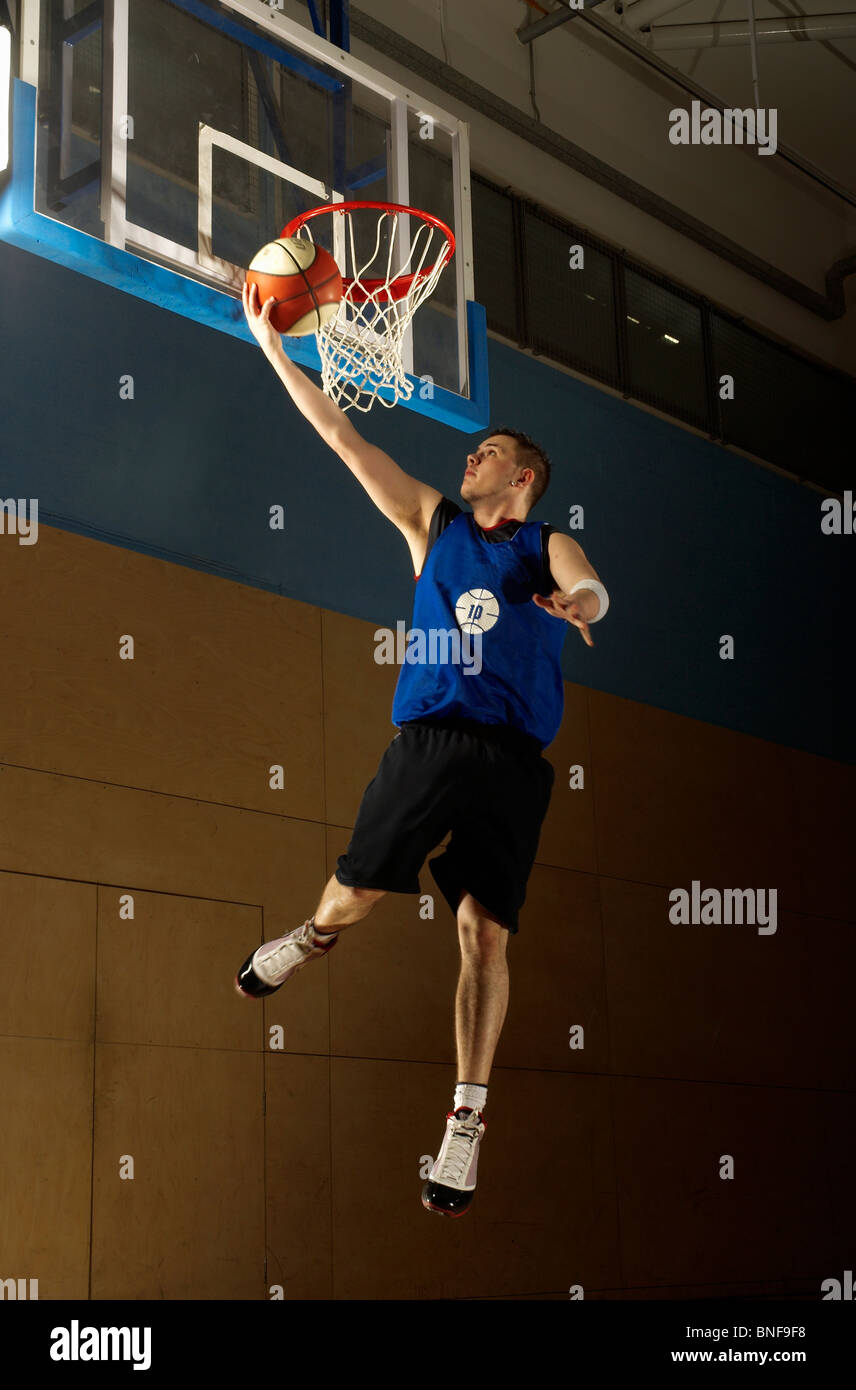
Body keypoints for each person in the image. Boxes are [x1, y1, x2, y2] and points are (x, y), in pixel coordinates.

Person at [235, 282, 610, 1217]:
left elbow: (590, 584)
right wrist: (276, 348)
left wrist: (584, 603)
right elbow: (341, 437)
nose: (469, 456)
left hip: (516, 765)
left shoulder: (544, 544)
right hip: (432, 744)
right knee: (355, 896)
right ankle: (310, 938)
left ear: (522, 478)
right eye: (471, 453)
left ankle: (465, 1126)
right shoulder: (432, 525)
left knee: (485, 932)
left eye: (488, 453)